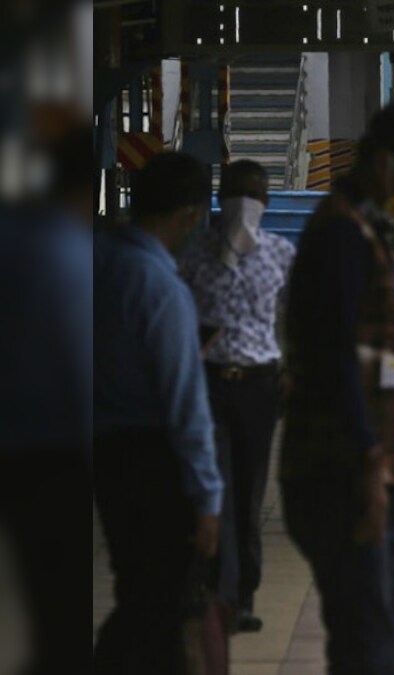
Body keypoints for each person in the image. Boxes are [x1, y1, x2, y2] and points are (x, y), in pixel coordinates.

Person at [280, 100, 394, 674]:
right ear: (386, 164)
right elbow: (334, 362)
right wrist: (368, 465)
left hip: (370, 468)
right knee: (368, 636)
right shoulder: (341, 237)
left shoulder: (363, 227)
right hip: (344, 473)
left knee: (371, 626)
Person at [93, 152, 224, 674]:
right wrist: (208, 496)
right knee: (158, 608)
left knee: (137, 592)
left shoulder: (98, 262)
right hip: (155, 463)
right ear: (189, 214)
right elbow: (185, 405)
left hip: (108, 454)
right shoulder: (161, 288)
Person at [179, 159, 296, 633]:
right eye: (235, 195)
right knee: (216, 492)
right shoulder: (195, 255)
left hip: (259, 386)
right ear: (219, 199)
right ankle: (218, 593)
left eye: (254, 195)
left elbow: (295, 317)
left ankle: (242, 593)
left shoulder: (280, 254)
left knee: (248, 494)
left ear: (265, 203)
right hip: (208, 384)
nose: (244, 206)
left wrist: (290, 370)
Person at [0, 124, 93, 675]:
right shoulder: (67, 254)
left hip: (16, 446)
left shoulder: (16, 239)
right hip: (58, 454)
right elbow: (76, 364)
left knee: (41, 594)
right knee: (64, 608)